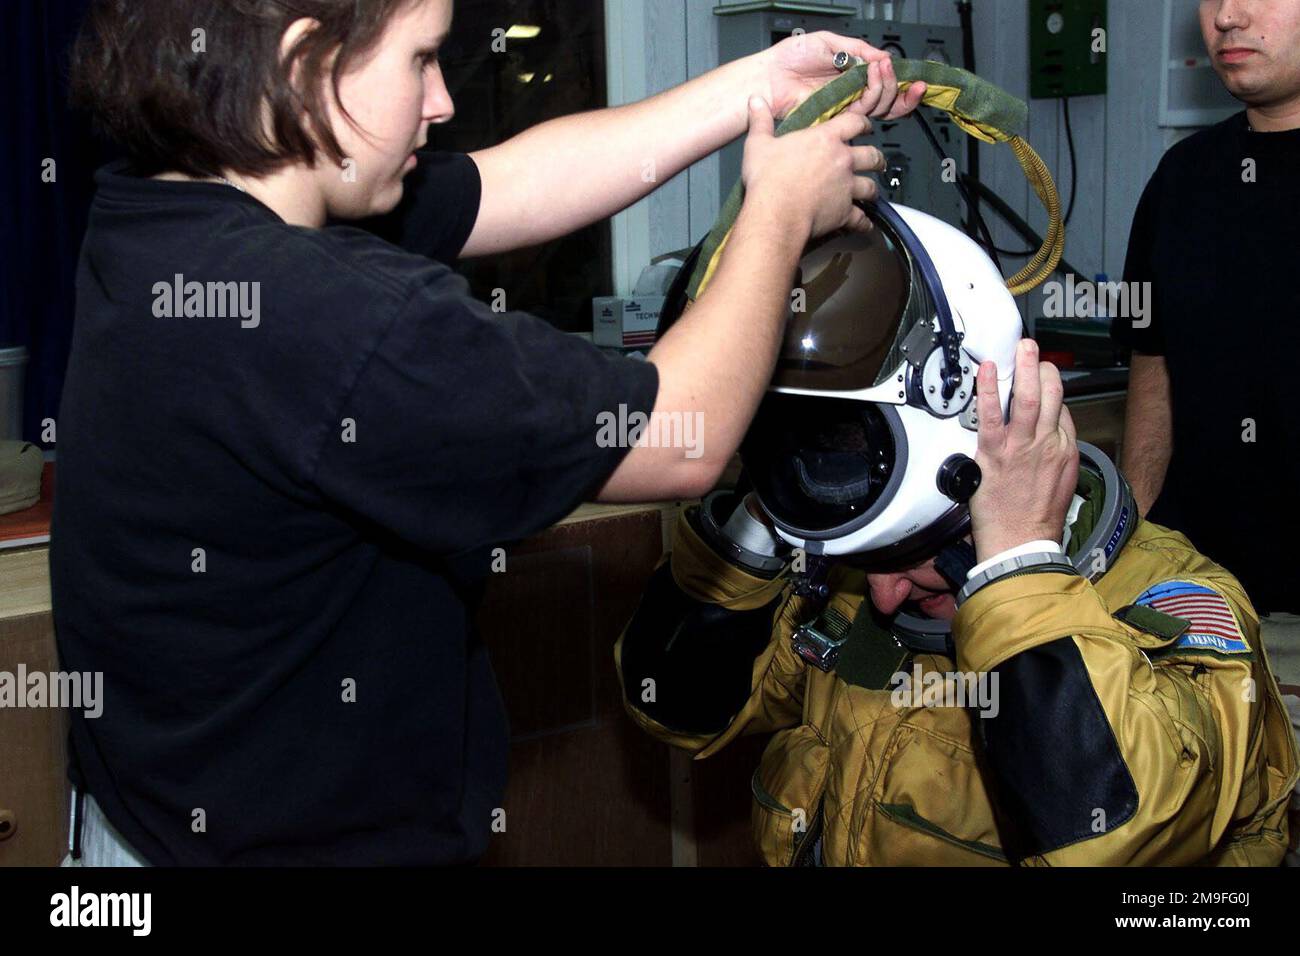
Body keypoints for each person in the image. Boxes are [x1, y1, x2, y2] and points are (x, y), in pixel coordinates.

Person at [51, 0, 925, 865]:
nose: (443, 100)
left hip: (141, 831)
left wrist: (756, 86)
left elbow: (507, 182)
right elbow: (681, 434)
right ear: (308, 63)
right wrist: (775, 214)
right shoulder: (333, 320)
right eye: (421, 59)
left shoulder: (158, 215)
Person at [617, 202, 1299, 864]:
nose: (881, 595)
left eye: (914, 556)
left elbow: (1109, 835)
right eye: (865, 559)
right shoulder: (856, 592)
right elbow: (679, 709)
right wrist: (772, 499)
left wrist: (1016, 564)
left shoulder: (1170, 607)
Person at [1114, 0, 1300, 762]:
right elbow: (1152, 370)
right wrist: (1130, 544)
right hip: (1195, 602)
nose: (1227, 15)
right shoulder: (1183, 177)